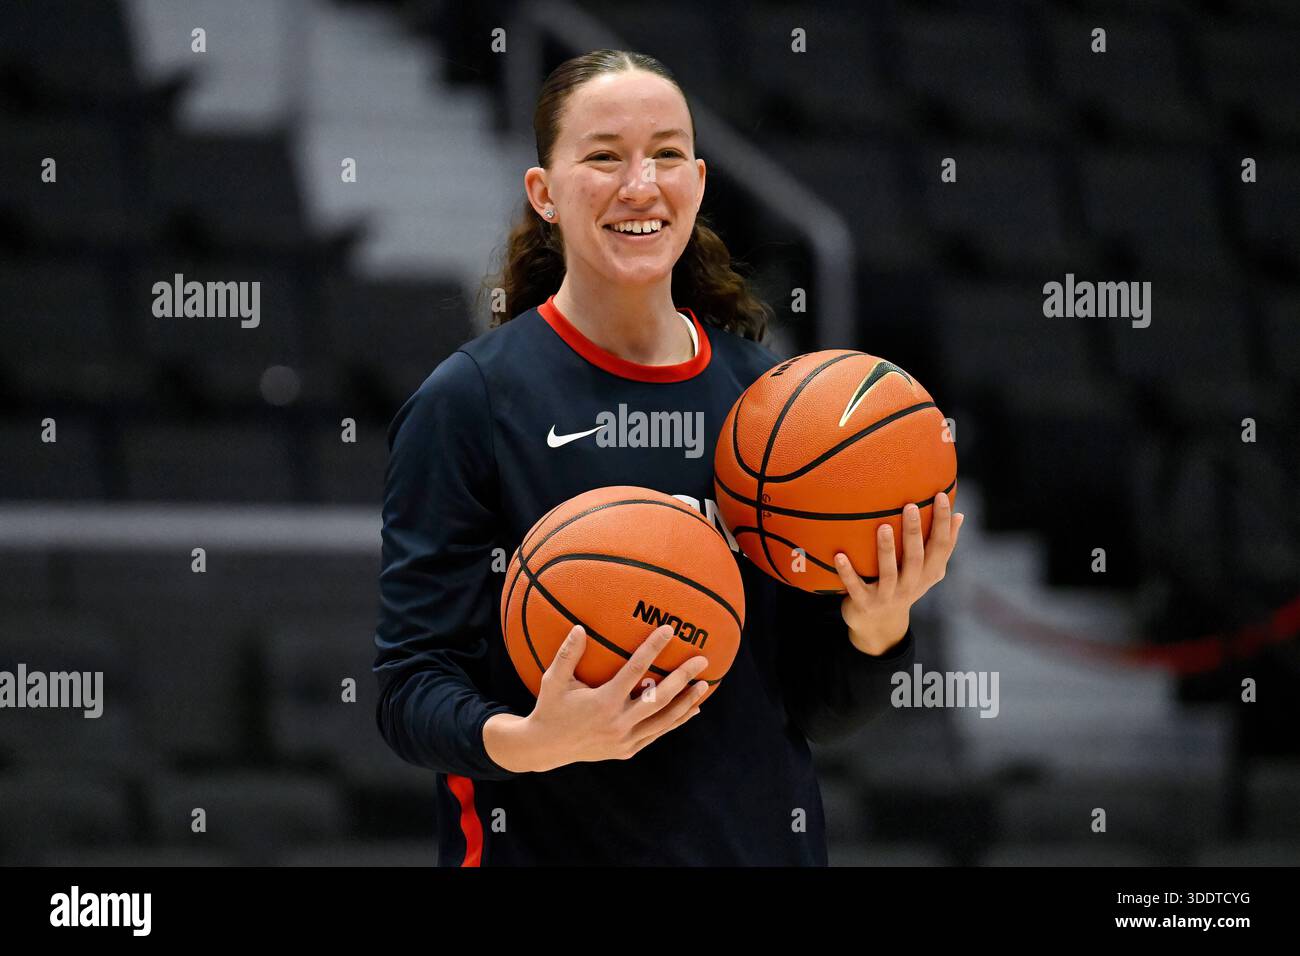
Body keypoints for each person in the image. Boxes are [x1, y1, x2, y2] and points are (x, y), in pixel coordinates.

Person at [373, 49, 963, 866]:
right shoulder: (469, 404)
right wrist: (534, 739)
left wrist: (878, 623)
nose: (640, 184)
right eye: (604, 156)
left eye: (667, 154)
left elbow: (818, 713)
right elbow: (410, 688)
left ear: (698, 182)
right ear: (544, 194)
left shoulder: (775, 407)